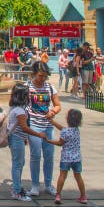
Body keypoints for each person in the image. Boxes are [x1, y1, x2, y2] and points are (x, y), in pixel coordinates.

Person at [7, 82, 49, 202]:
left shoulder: (14, 108)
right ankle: (16, 191)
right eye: (27, 95)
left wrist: (24, 137)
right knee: (17, 164)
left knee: (19, 162)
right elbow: (25, 127)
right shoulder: (20, 111)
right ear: (22, 96)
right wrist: (39, 134)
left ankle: (17, 187)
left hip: (16, 137)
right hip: (16, 139)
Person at [26, 61, 61, 197]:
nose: (42, 79)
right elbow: (22, 107)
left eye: (45, 76)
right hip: (33, 125)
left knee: (49, 156)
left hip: (48, 126)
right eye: (40, 76)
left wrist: (53, 112)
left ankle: (48, 184)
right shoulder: (27, 87)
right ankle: (35, 185)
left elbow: (58, 105)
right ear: (33, 74)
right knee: (35, 156)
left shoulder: (50, 88)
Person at [48, 109, 87, 205]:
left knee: (62, 176)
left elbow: (60, 143)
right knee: (78, 176)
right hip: (77, 158)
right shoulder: (76, 130)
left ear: (67, 119)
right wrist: (52, 122)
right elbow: (63, 129)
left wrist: (48, 140)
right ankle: (83, 196)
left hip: (66, 158)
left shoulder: (65, 132)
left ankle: (58, 195)